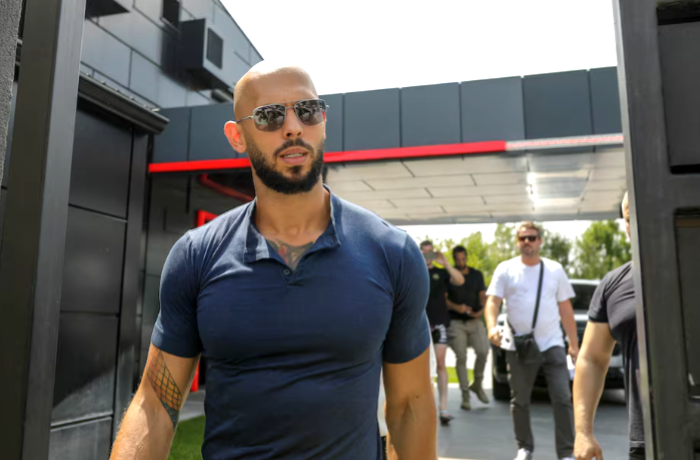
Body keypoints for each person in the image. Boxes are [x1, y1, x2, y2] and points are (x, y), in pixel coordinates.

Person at [109, 63, 438, 460]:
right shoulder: (197, 255)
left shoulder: (391, 251)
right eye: (269, 116)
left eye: (308, 110)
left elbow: (410, 405)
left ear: (323, 122)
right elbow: (157, 403)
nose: (294, 127)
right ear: (237, 136)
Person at [485, 222, 579, 460]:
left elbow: (566, 310)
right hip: (518, 345)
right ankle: (525, 447)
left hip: (552, 343)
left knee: (562, 398)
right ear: (517, 242)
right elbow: (492, 302)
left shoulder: (554, 270)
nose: (527, 242)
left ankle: (567, 452)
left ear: (540, 241)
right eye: (523, 238)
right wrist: (491, 327)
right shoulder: (505, 269)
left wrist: (574, 344)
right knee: (520, 400)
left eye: (532, 238)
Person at [573, 193, 644, 460]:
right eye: (629, 218)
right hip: (646, 440)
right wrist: (583, 432)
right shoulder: (613, 285)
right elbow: (592, 359)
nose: (635, 223)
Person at [419, 240, 465, 425]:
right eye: (424, 252)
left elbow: (460, 281)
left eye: (431, 253)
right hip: (419, 325)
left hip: (439, 324)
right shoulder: (415, 270)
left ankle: (443, 408)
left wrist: (444, 262)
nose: (428, 256)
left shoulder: (441, 272)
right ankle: (424, 408)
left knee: (439, 363)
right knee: (421, 368)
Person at [445, 245, 489, 410]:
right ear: (454, 259)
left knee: (483, 351)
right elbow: (444, 300)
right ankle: (465, 394)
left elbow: (483, 297)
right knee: (461, 357)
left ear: (466, 258)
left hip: (475, 320)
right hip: (456, 322)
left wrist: (481, 312)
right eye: (457, 259)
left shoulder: (476, 275)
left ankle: (477, 383)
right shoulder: (449, 277)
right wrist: (458, 308)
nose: (460, 262)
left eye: (463, 258)